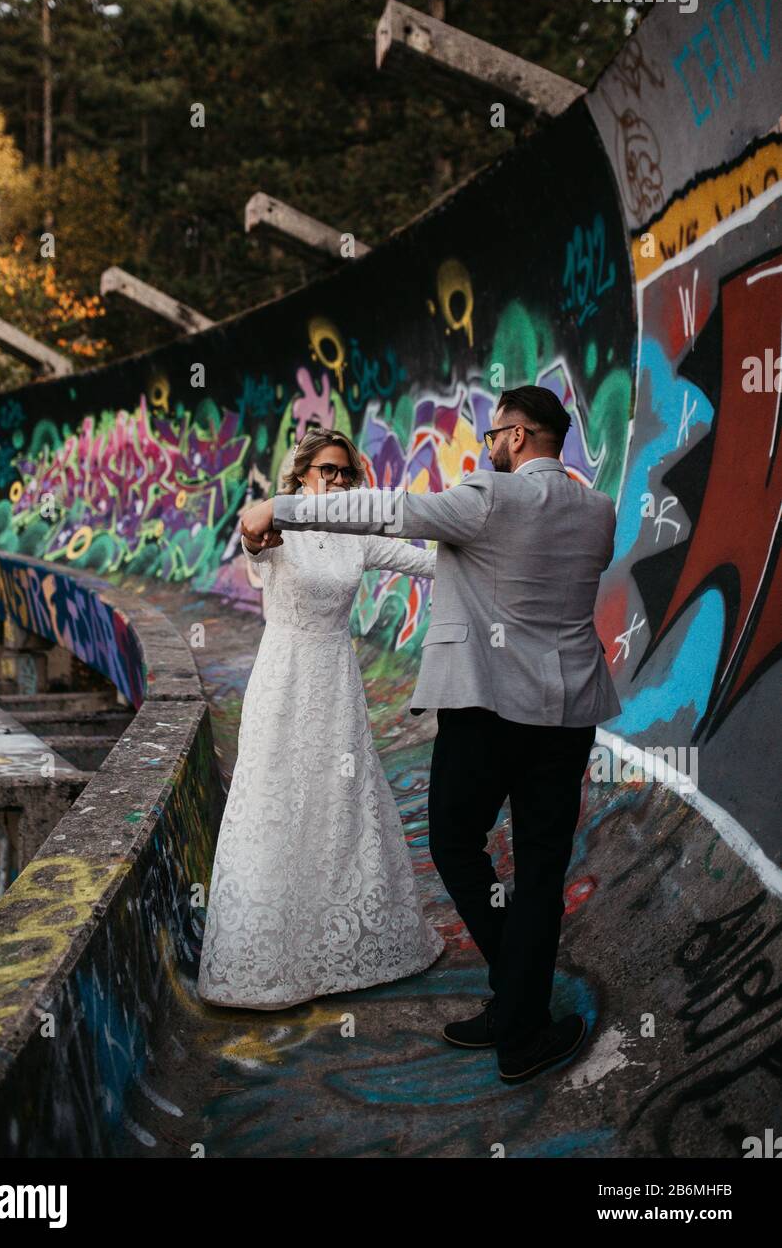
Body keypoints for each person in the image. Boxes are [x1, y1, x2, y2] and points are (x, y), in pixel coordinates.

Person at [242, 385, 620, 1084]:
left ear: (516, 436)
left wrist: (279, 507)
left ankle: (518, 1016)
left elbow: (386, 509)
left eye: (493, 434)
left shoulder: (485, 498)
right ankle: (518, 1013)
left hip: (485, 712)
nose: (487, 445)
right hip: (568, 715)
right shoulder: (599, 511)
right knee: (540, 872)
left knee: (453, 841)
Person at [197, 427, 445, 1010]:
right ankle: (264, 962)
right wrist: (288, 510)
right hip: (283, 677)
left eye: (345, 474)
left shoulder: (356, 534)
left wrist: (484, 543)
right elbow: (252, 533)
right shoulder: (277, 526)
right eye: (327, 470)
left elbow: (424, 563)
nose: (336, 481)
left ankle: (339, 950)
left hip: (336, 680)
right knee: (276, 800)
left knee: (341, 802)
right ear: (303, 472)